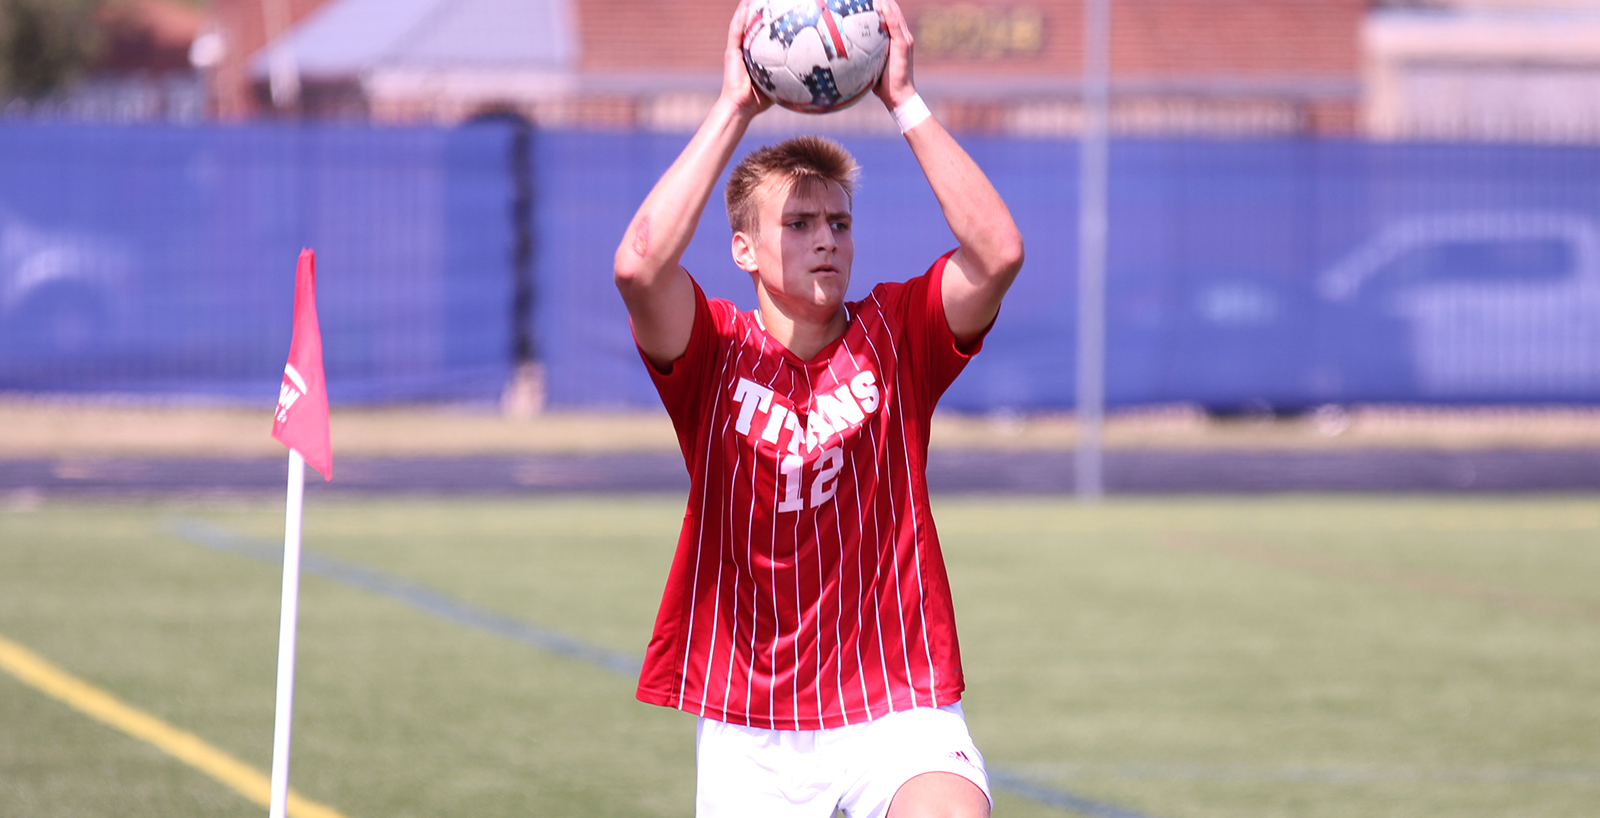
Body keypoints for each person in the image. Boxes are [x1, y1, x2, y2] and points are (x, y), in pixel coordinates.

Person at [612, 0, 1023, 814]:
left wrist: (903, 100)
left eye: (838, 221)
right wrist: (734, 105)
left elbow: (998, 251)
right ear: (744, 251)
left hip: (895, 699)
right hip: (753, 721)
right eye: (797, 224)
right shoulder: (714, 352)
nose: (825, 238)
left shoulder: (897, 335)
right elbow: (637, 266)